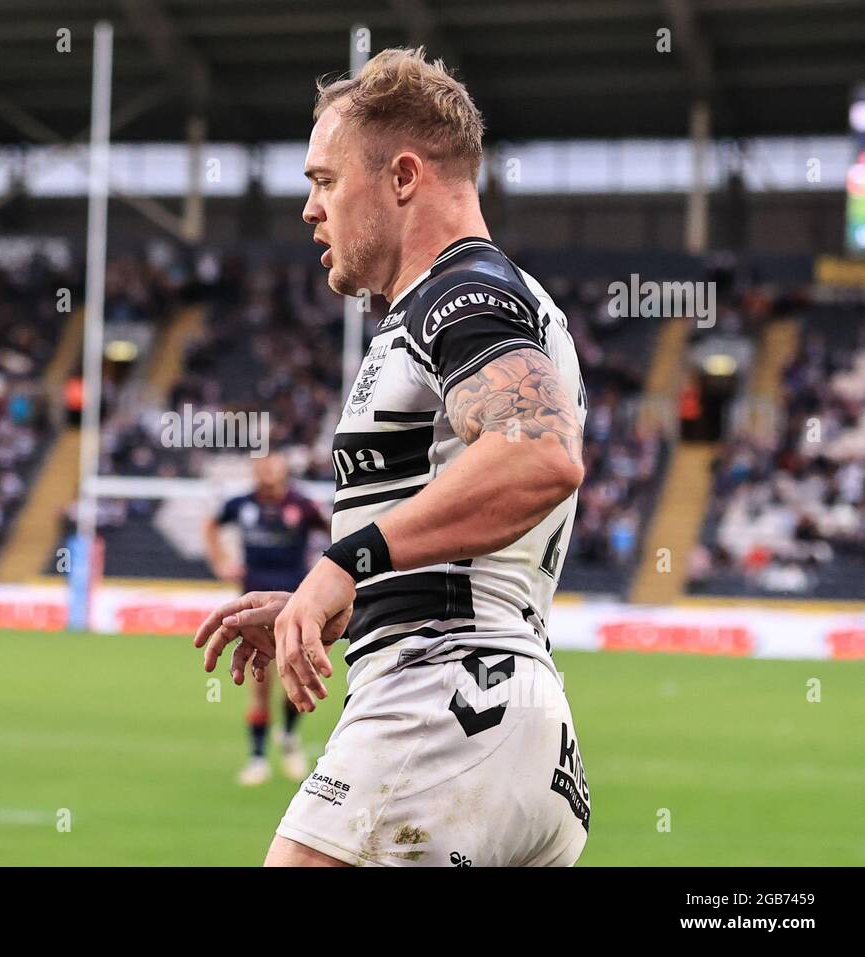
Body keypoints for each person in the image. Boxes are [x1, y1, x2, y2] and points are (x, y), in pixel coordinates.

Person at [195, 48, 592, 867]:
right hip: (506, 720)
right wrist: (353, 593)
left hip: (443, 707)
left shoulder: (462, 294)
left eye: (325, 181)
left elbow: (537, 454)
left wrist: (346, 561)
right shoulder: (490, 301)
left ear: (403, 177)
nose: (310, 209)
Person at [204, 453, 330, 786]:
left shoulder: (302, 505)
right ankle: (257, 758)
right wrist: (221, 561)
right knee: (260, 684)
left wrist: (329, 574)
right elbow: (211, 525)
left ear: (284, 470)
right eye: (261, 466)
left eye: (273, 465)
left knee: (295, 679)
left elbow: (335, 531)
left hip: (294, 607)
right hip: (253, 609)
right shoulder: (241, 504)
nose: (267, 471)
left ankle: (288, 738)